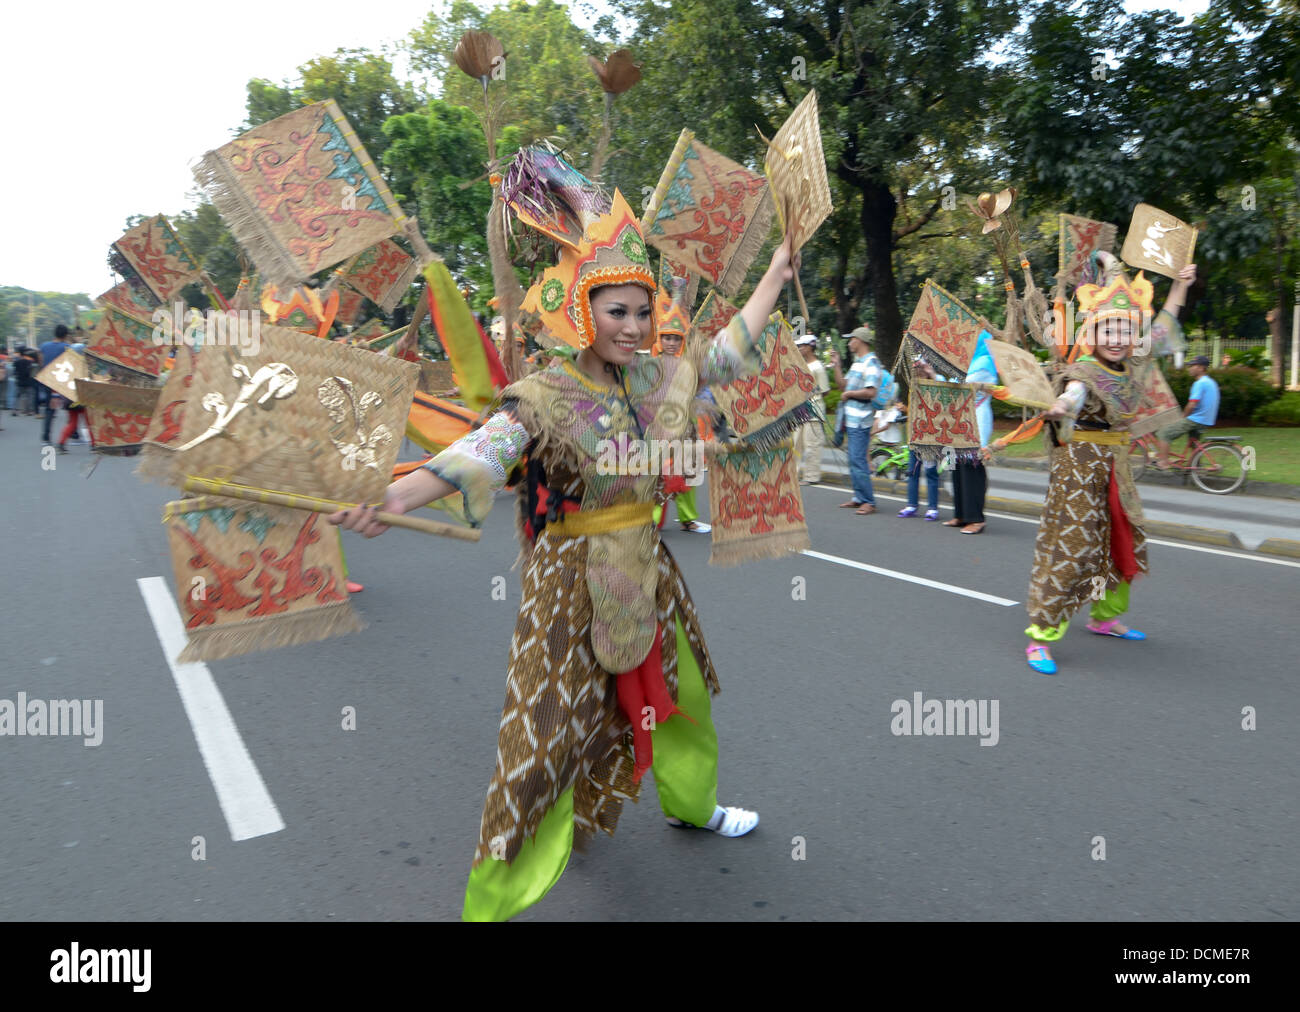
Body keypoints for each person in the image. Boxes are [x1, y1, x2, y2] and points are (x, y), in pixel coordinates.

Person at [331, 157, 791, 922]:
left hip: (646, 571)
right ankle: (492, 901)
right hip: (567, 582)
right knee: (541, 743)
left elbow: (730, 353)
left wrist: (776, 270)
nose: (634, 328)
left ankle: (691, 804)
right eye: (617, 313)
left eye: (642, 314)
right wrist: (395, 493)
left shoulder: (659, 379)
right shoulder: (541, 395)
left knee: (679, 702)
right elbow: (478, 454)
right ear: (585, 314)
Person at [1024, 261, 1195, 675]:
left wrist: (1179, 285)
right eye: (1107, 330)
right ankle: (1040, 637)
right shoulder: (1082, 372)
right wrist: (1058, 408)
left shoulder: (1135, 362)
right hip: (1079, 469)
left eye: (1124, 331)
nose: (1117, 339)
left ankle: (1104, 618)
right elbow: (1072, 399)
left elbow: (1164, 323)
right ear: (1092, 334)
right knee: (1073, 548)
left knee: (1123, 543)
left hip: (1116, 468)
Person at [650, 282, 710, 533]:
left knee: (687, 472)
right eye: (667, 338)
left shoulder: (688, 364)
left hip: (685, 427)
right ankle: (653, 520)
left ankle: (688, 518)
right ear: (660, 339)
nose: (672, 342)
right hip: (659, 428)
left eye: (676, 338)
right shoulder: (651, 364)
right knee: (658, 476)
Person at [829, 326, 881, 515]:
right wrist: (836, 365)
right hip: (851, 421)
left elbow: (871, 392)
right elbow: (842, 384)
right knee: (853, 459)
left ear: (860, 340)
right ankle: (859, 497)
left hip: (861, 421)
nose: (849, 342)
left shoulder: (871, 363)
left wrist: (850, 393)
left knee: (858, 460)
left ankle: (868, 501)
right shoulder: (858, 363)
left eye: (852, 339)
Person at [1154, 353, 1219, 469]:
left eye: (1192, 366)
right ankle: (1195, 467)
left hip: (1197, 418)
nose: (1189, 368)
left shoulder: (1200, 383)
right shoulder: (1210, 382)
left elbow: (1192, 404)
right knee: (1194, 443)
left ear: (1201, 368)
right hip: (1206, 419)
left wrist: (1183, 417)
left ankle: (1163, 462)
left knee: (1165, 433)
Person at [793, 334, 830, 484]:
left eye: (802, 346)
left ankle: (811, 476)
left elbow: (825, 390)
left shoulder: (818, 367)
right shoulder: (802, 365)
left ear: (809, 347)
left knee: (811, 444)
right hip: (800, 410)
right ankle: (792, 474)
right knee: (795, 443)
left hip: (814, 411)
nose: (799, 349)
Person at [38, 325, 72, 443]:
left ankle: (46, 436)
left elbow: (41, 362)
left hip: (48, 380)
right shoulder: (67, 347)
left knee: (49, 409)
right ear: (66, 335)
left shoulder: (44, 346)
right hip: (62, 381)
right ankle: (73, 432)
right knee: (71, 407)